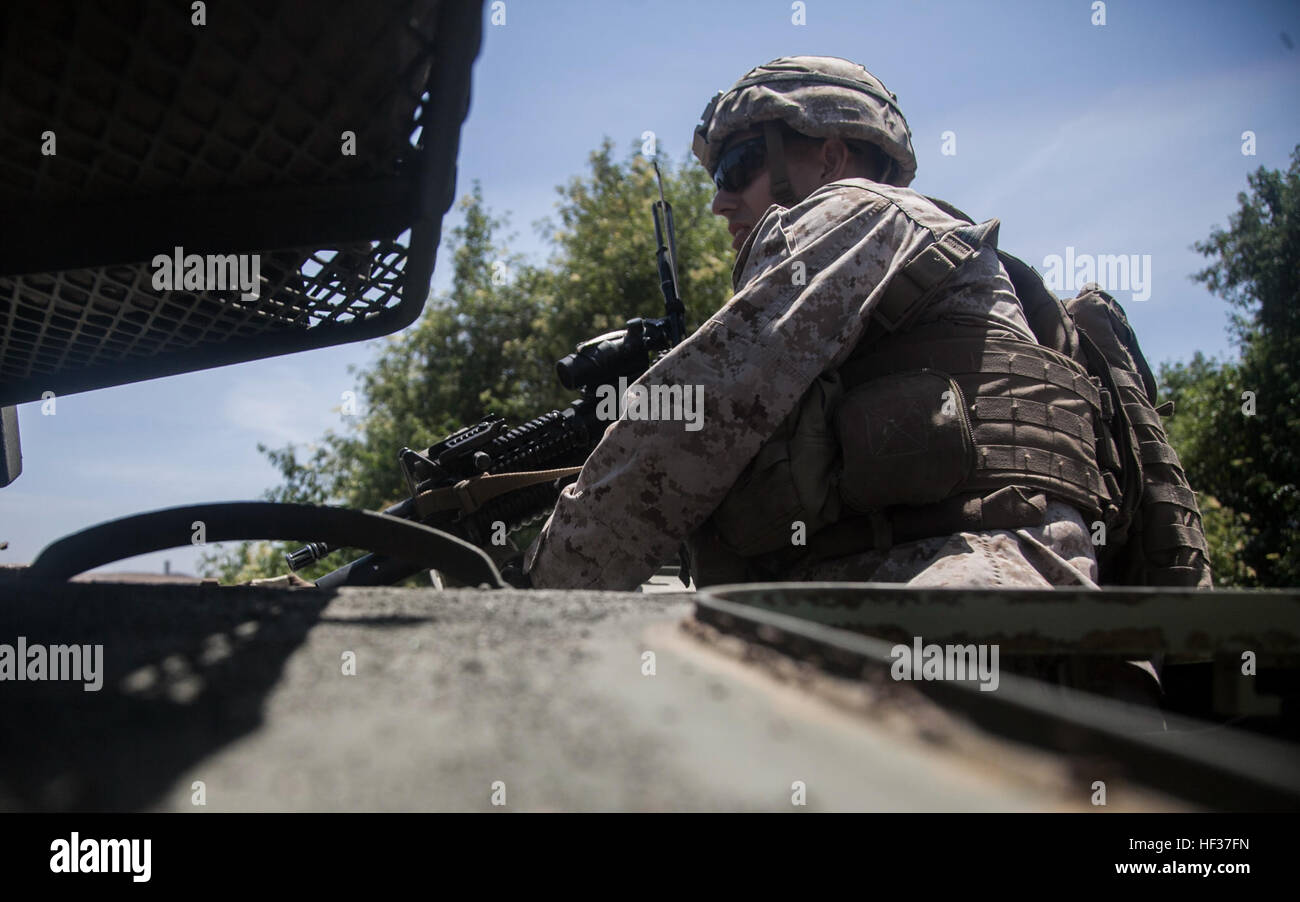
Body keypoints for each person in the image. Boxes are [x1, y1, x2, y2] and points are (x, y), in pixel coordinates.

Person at [522, 56, 1108, 595]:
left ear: (830, 157)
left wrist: (553, 579)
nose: (719, 202)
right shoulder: (924, 255)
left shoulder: (855, 209)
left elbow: (697, 412)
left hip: (949, 596)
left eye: (738, 165)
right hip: (1004, 601)